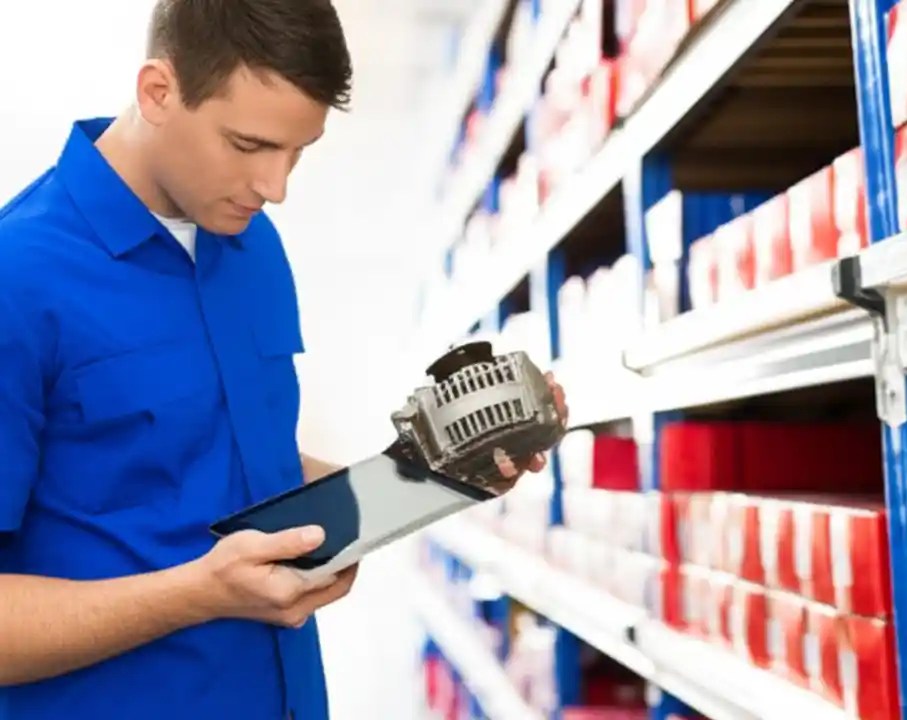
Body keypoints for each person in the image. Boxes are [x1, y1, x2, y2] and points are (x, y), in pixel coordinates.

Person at [0, 1, 566, 718]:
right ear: (157, 92)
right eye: (248, 145)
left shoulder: (248, 245)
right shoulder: (18, 276)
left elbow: (233, 457)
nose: (276, 187)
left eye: (298, 151)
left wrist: (432, 481)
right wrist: (196, 594)